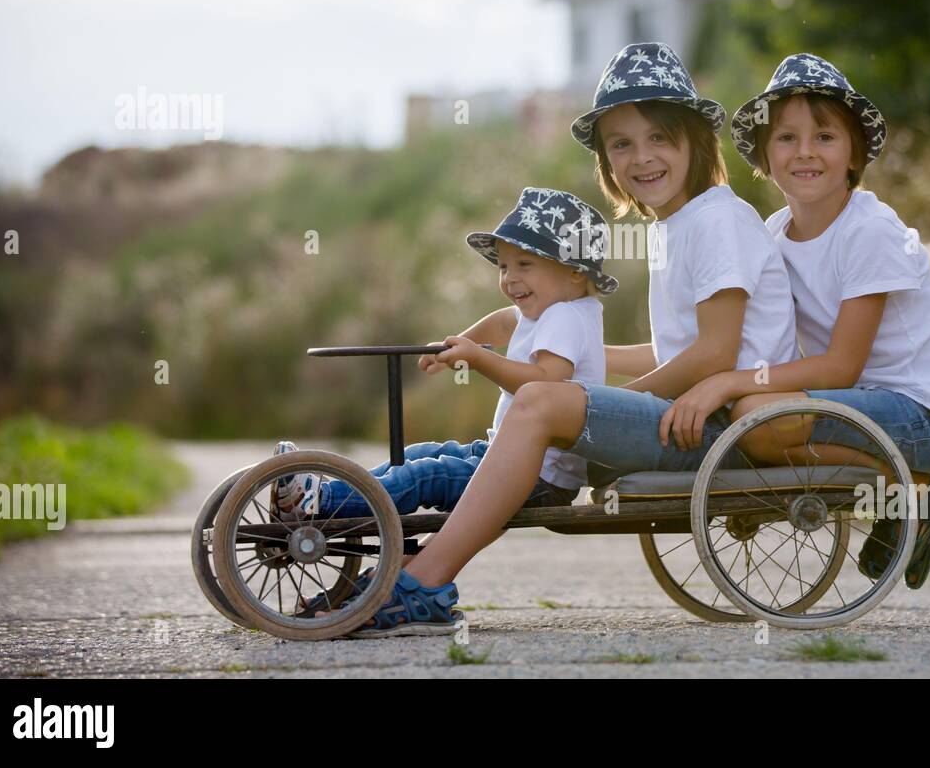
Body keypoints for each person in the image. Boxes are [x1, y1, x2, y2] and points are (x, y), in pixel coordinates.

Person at [339, 41, 799, 635]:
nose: (642, 158)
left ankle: (425, 582)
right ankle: (386, 541)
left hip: (725, 426)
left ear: (695, 140)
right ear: (607, 161)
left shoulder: (717, 221)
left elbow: (717, 353)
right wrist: (594, 370)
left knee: (537, 401)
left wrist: (608, 402)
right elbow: (675, 350)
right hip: (696, 415)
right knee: (519, 414)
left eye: (661, 138)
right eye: (622, 145)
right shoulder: (679, 225)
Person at [665, 52, 930, 589]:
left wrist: (728, 381)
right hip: (868, 401)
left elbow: (839, 365)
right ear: (764, 154)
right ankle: (908, 485)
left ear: (855, 152)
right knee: (755, 411)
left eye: (826, 137)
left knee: (758, 417)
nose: (805, 152)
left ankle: (918, 489)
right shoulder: (773, 232)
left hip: (929, 413)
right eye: (786, 138)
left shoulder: (871, 231)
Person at [273, 187, 615, 632]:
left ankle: (327, 502)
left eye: (525, 265)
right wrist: (456, 342)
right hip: (510, 455)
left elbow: (547, 384)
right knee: (419, 456)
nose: (510, 278)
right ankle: (339, 503)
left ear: (574, 272)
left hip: (541, 475)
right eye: (505, 266)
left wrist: (480, 359)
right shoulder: (552, 308)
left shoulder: (567, 318)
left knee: (426, 475)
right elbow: (502, 320)